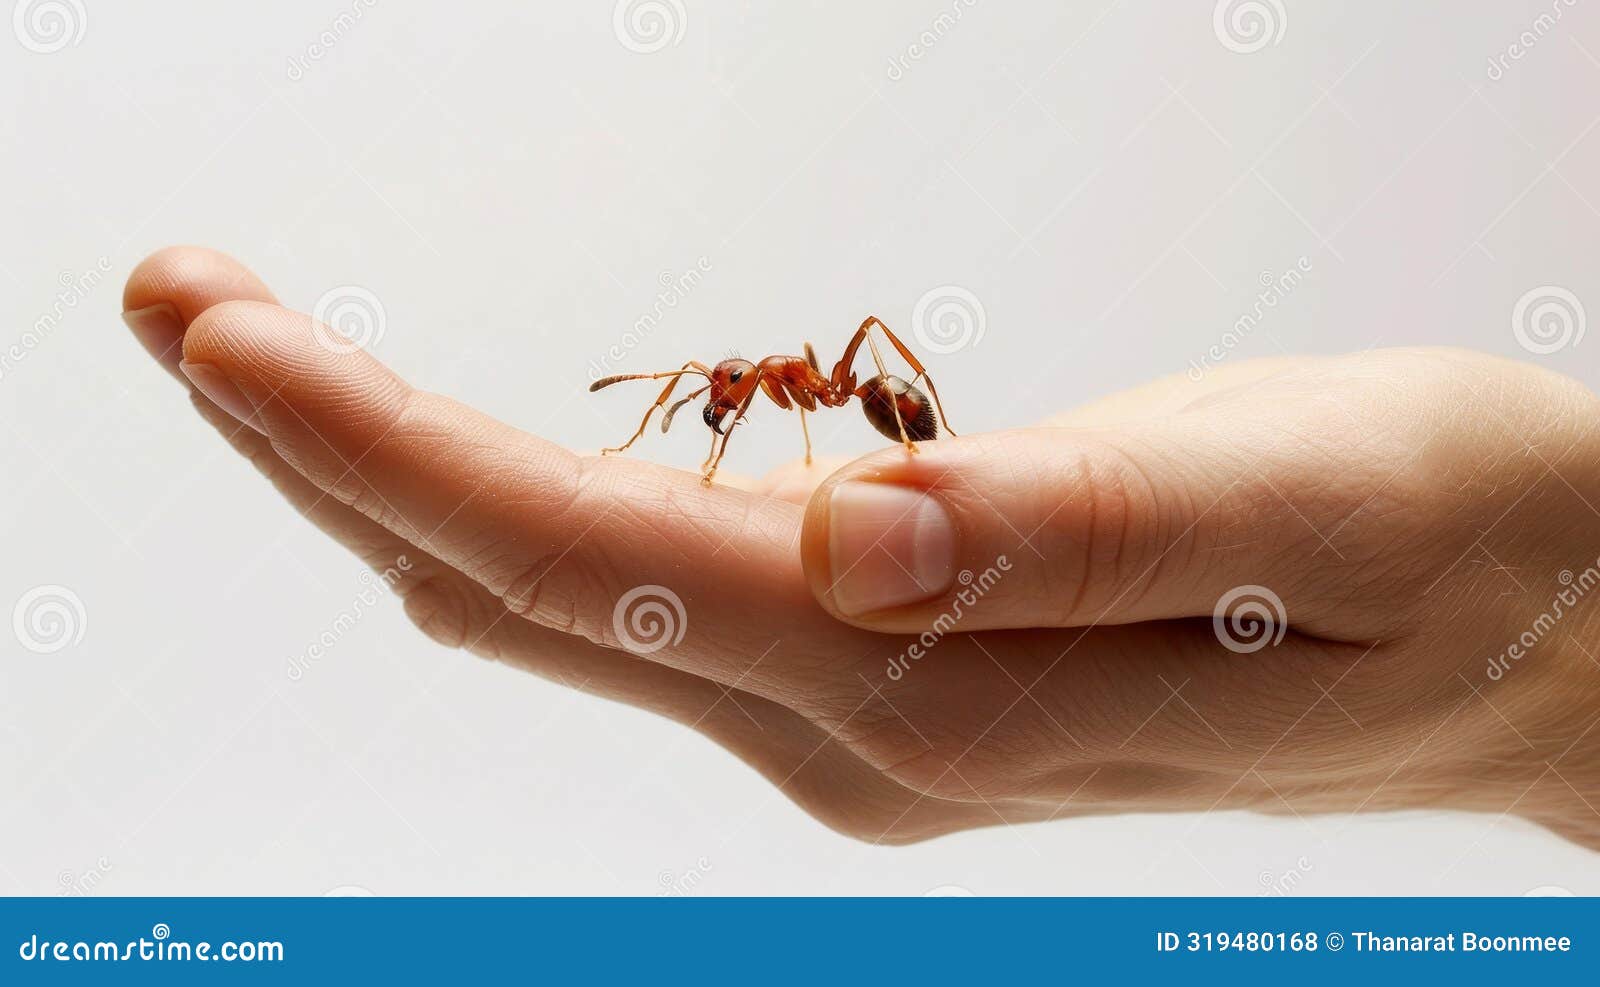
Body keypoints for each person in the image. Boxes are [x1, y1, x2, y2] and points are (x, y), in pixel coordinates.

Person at [122, 246, 1600, 849]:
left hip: (903, 424)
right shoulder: (748, 386)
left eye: (722, 399)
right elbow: (712, 395)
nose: (724, 405)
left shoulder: (834, 382)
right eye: (720, 402)